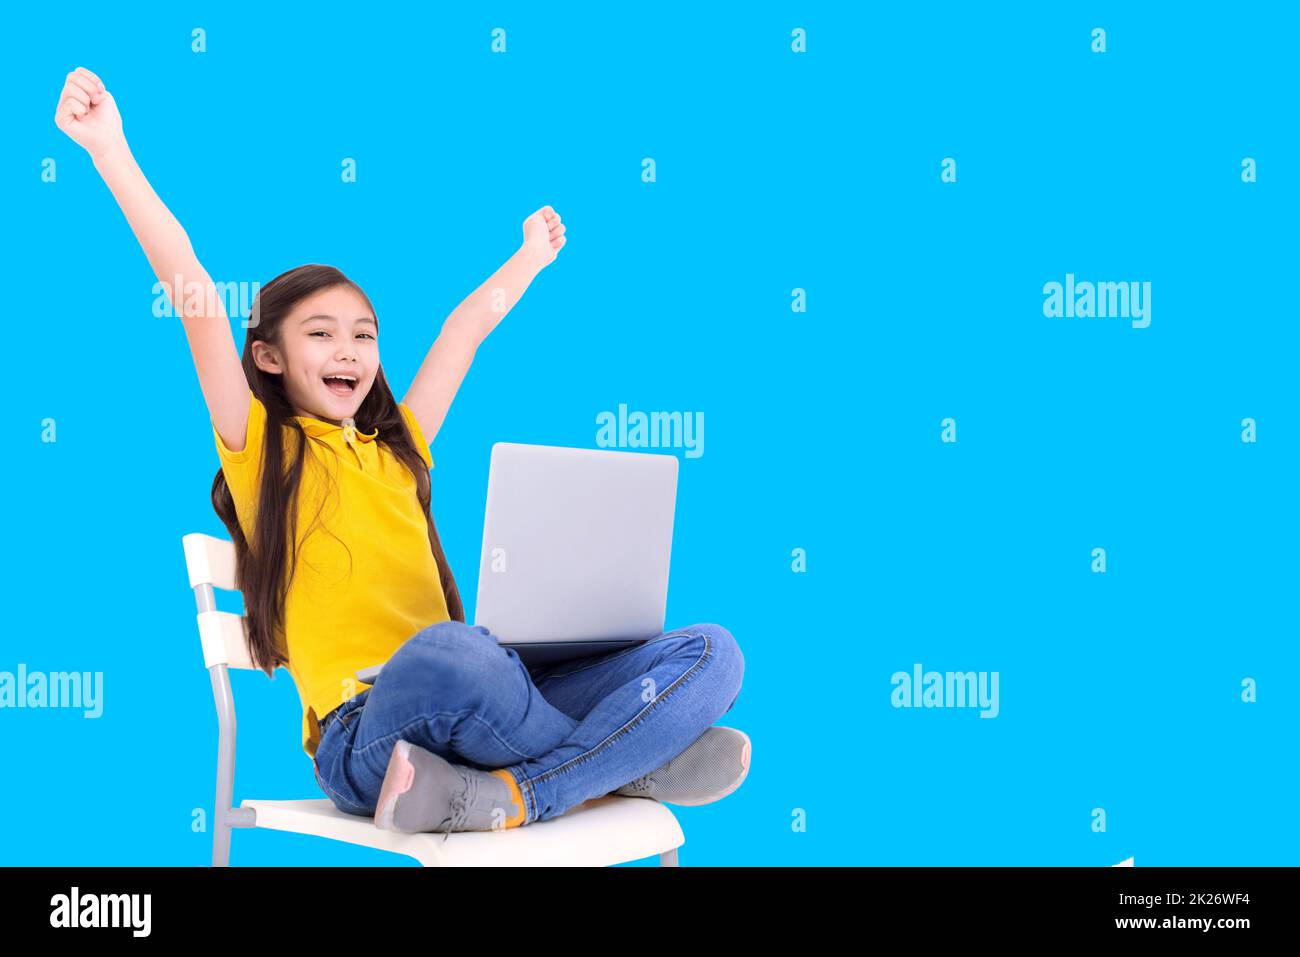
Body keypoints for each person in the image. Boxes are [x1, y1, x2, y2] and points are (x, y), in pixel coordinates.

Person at [54, 66, 749, 837]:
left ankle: (519, 793)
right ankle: (625, 766)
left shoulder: (400, 450)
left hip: (489, 708)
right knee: (456, 654)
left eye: (364, 335)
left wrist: (529, 258)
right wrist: (109, 149)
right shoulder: (263, 446)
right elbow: (190, 285)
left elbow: (462, 332)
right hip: (369, 734)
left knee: (711, 653)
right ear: (271, 357)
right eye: (321, 333)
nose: (350, 350)